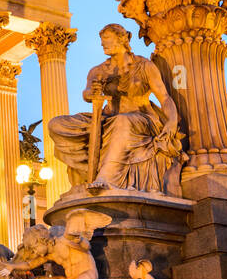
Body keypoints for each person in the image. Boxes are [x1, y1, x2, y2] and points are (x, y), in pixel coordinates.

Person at [47, 23, 182, 195]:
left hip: (141, 118)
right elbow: (87, 93)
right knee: (56, 124)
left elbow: (165, 98)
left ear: (122, 39)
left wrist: (171, 121)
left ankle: (106, 178)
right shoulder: (98, 71)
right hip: (106, 117)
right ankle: (84, 170)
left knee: (123, 120)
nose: (103, 44)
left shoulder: (144, 65)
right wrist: (93, 91)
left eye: (107, 39)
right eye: (102, 41)